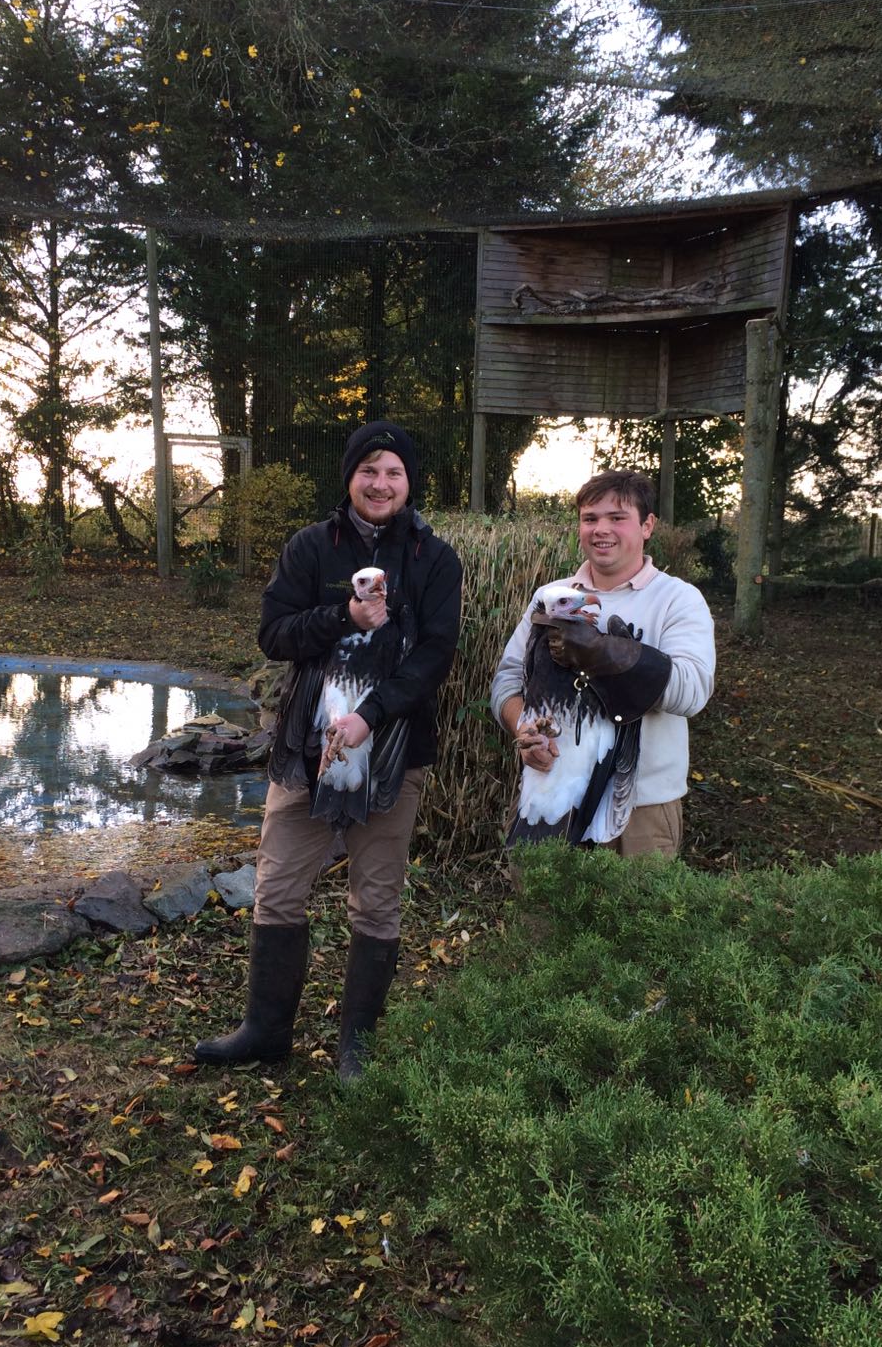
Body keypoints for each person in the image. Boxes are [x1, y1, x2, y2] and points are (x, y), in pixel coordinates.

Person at [195, 421, 462, 1080]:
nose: (380, 483)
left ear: (409, 481)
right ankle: (265, 1031)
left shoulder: (435, 560)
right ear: (350, 477)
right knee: (279, 885)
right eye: (369, 469)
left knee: (377, 897)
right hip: (309, 748)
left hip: (393, 749)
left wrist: (371, 715)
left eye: (393, 471)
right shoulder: (311, 547)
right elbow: (273, 635)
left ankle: (356, 1050)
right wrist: (343, 616)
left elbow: (434, 657)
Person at [490, 470, 714, 856]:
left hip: (641, 808)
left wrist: (607, 654)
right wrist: (525, 730)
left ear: (647, 526)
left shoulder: (678, 599)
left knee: (635, 916)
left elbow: (691, 692)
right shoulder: (550, 598)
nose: (600, 529)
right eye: (590, 518)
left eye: (617, 518)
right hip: (552, 792)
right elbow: (508, 681)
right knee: (543, 915)